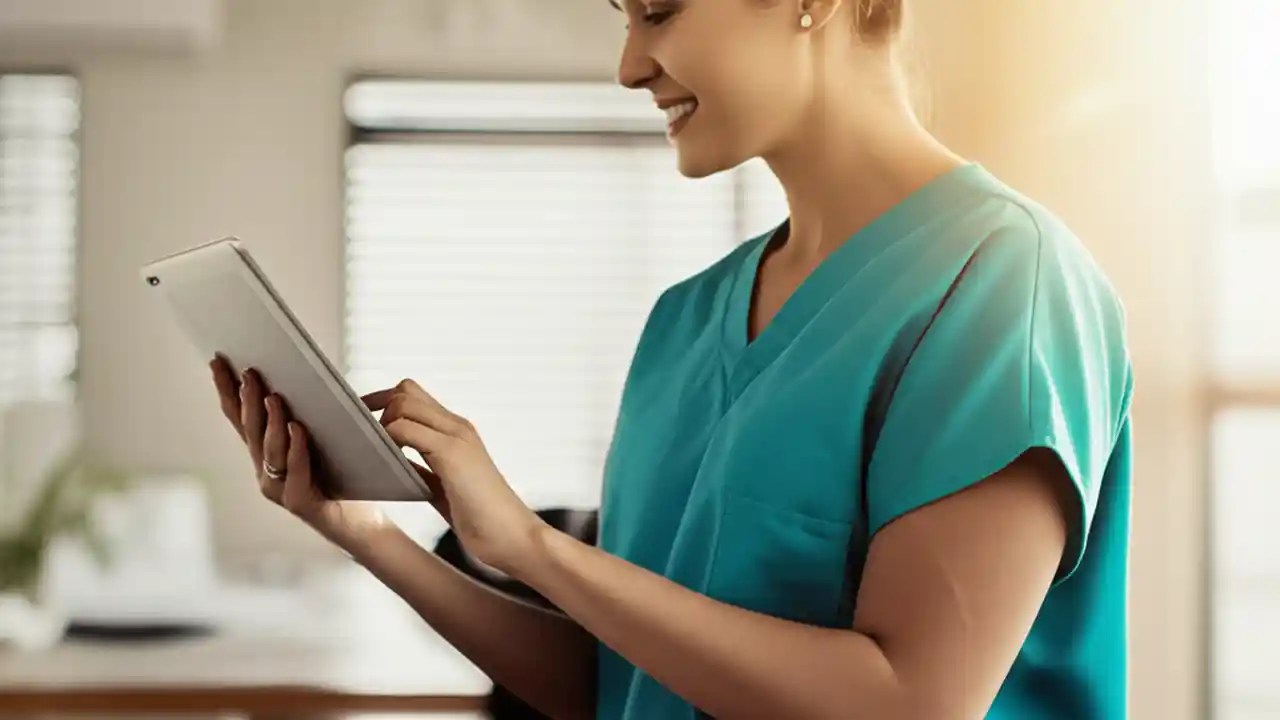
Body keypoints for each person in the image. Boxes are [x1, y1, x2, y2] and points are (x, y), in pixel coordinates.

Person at [209, 0, 1133, 717]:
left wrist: (533, 548)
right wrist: (366, 534)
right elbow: (618, 686)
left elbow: (910, 703)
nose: (628, 65)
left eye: (659, 12)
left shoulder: (1005, 288)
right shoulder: (682, 322)